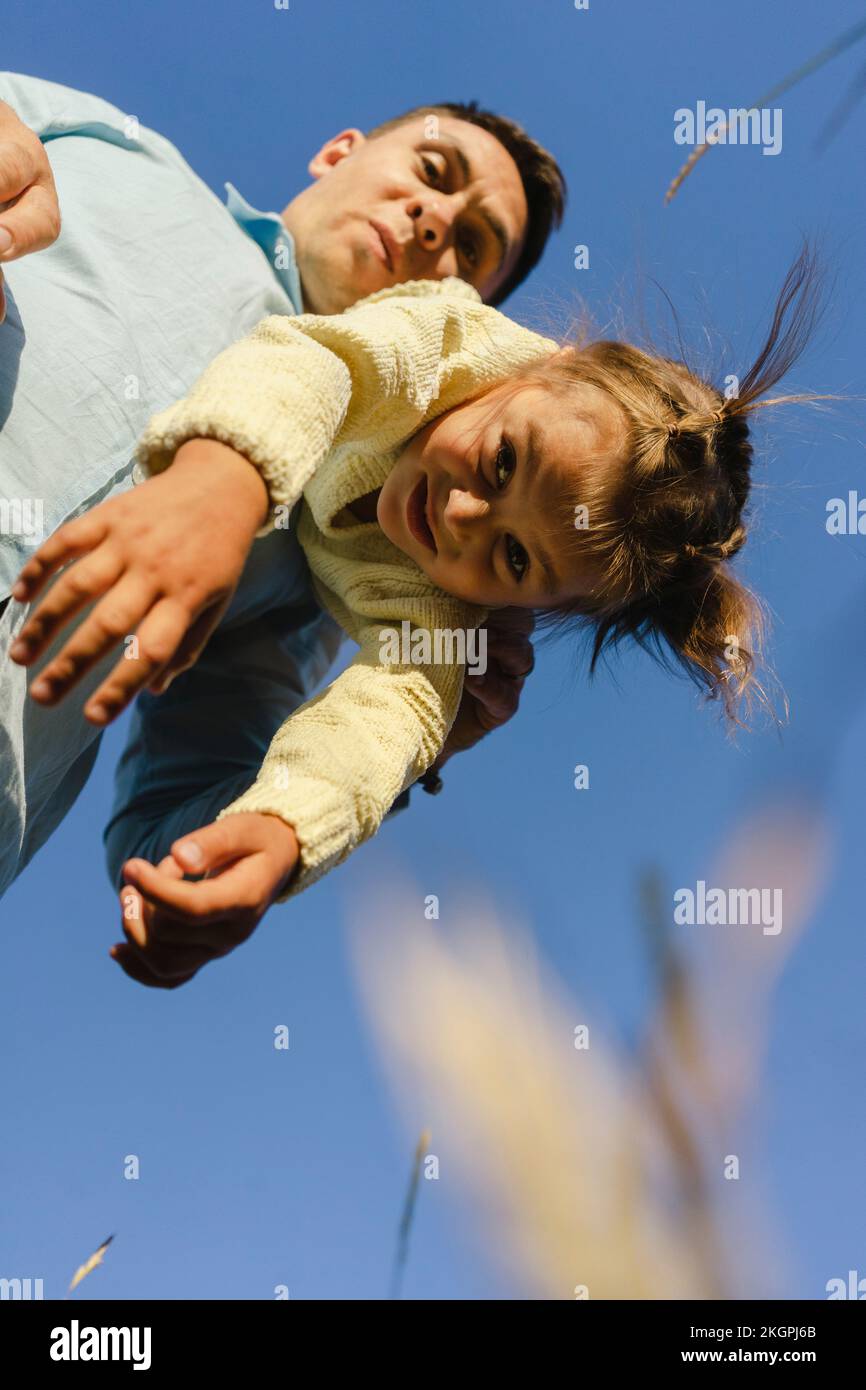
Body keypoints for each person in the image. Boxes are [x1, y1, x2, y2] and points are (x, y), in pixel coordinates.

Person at [10, 247, 822, 988]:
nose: (464, 515)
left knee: (187, 827)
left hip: (292, 605)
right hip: (239, 473)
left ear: (531, 608)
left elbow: (394, 707)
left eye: (514, 558)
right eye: (504, 460)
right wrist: (225, 485)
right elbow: (320, 365)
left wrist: (282, 828)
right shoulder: (445, 339)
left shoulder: (448, 604)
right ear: (544, 368)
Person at [0, 75, 566, 928]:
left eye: (474, 246)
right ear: (340, 152)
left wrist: (391, 763)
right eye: (434, 170)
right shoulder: (111, 141)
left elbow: (166, 838)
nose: (435, 221)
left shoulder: (320, 560)